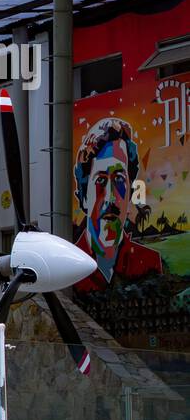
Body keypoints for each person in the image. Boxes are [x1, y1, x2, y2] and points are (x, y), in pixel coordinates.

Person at [73, 117, 162, 292]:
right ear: (84, 197)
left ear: (130, 193)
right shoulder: (68, 266)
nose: (111, 198)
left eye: (119, 180)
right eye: (100, 180)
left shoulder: (149, 263)